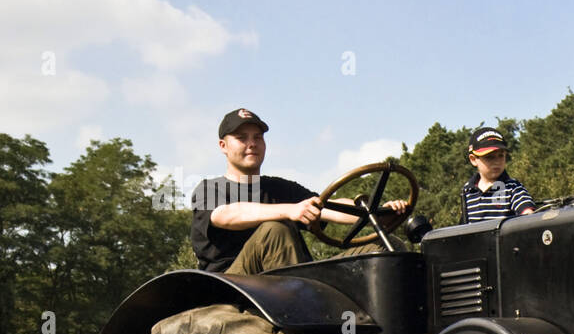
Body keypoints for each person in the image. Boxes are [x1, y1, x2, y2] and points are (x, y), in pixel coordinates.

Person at [191, 108, 409, 275]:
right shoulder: (210, 189)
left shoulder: (279, 188)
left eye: (257, 137)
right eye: (241, 138)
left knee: (388, 248)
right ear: (223, 146)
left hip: (296, 277)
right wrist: (290, 211)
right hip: (234, 286)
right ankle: (305, 327)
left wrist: (379, 211)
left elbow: (327, 207)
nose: (252, 144)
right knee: (274, 230)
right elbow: (224, 215)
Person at [461, 127, 536, 224]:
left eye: (501, 156)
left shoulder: (513, 187)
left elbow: (528, 214)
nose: (497, 162)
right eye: (489, 157)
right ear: (473, 159)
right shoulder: (467, 191)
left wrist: (528, 214)